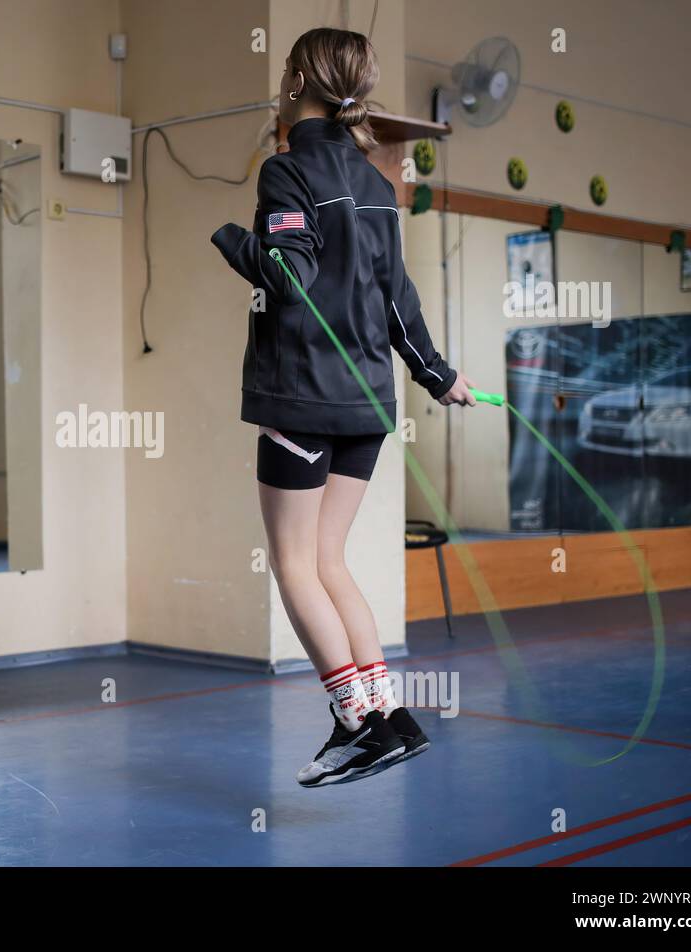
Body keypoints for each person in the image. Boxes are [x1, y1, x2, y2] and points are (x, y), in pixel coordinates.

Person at [211, 27, 477, 786]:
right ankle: (388, 716)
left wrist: (234, 239)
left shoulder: (287, 170)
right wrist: (438, 375)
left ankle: (357, 724)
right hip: (366, 407)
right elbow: (399, 300)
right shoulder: (374, 183)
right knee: (331, 561)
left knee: (295, 563)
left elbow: (286, 277)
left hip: (302, 400)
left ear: (299, 81)